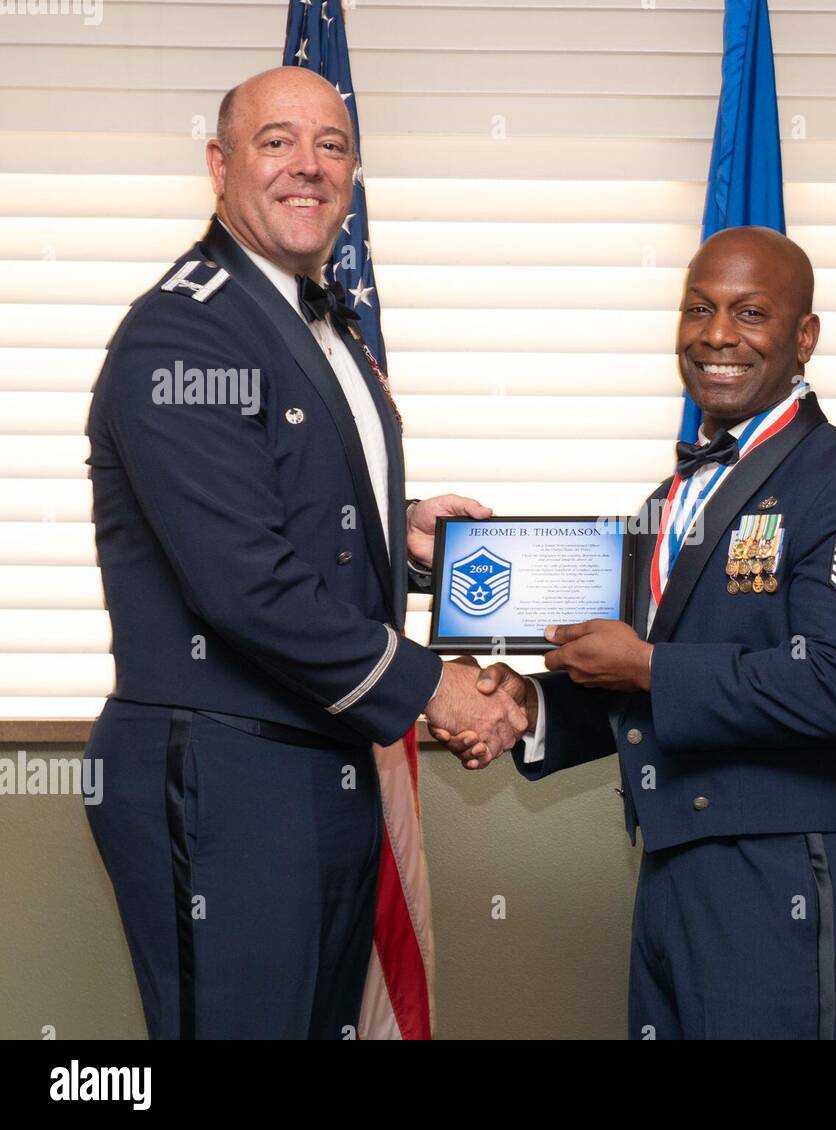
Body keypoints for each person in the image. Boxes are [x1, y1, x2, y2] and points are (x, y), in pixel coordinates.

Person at [83, 66, 526, 1039]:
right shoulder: (185, 336)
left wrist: (400, 534)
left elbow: (284, 498)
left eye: (331, 145)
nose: (308, 166)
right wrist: (435, 691)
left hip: (314, 754)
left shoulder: (304, 316)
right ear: (220, 165)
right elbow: (244, 582)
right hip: (223, 768)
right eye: (277, 141)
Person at [435, 227, 836, 1039]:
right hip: (672, 871)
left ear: (804, 338)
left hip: (787, 873)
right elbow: (633, 678)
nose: (717, 335)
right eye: (698, 308)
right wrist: (529, 706)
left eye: (750, 312)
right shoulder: (672, 497)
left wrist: (650, 665)